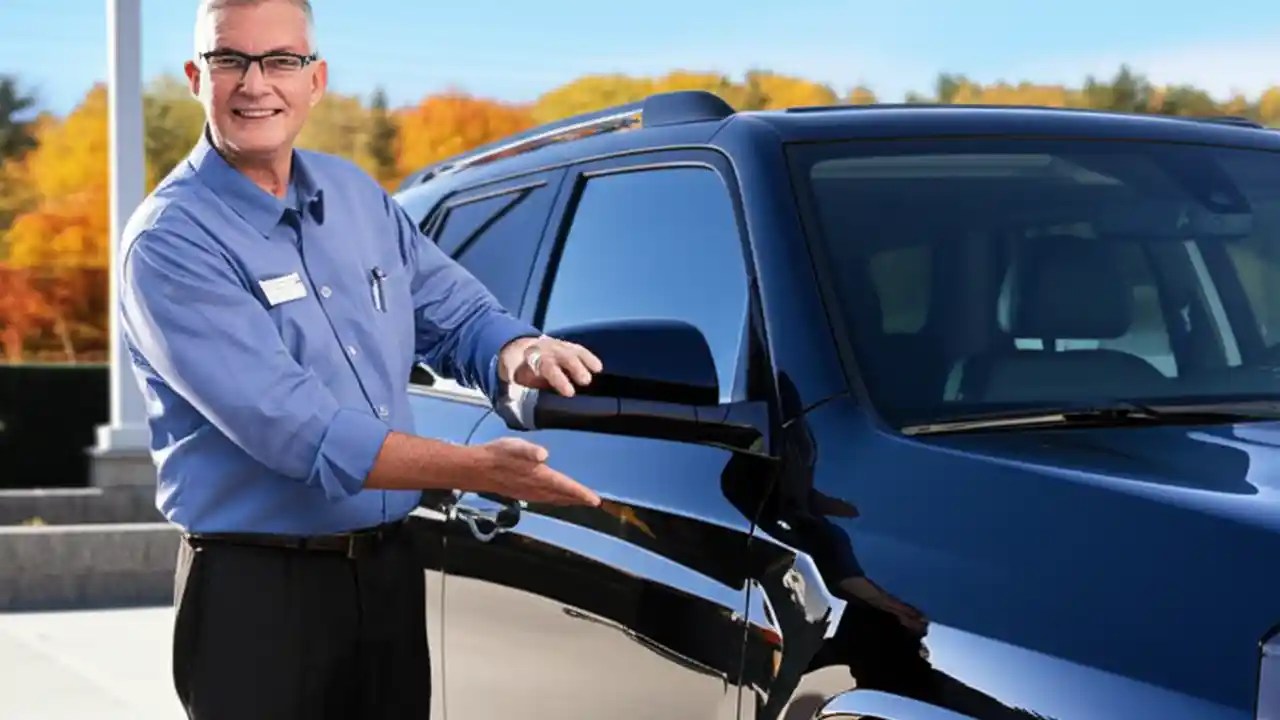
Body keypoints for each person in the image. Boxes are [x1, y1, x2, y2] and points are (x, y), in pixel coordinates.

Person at [118, 0, 603, 717]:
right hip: (258, 597)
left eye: (281, 60)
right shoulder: (171, 242)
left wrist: (518, 351)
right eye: (231, 61)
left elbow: (460, 315)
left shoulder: (357, 199)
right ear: (197, 76)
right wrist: (476, 470)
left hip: (388, 575)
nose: (257, 85)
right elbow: (298, 432)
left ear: (315, 80)